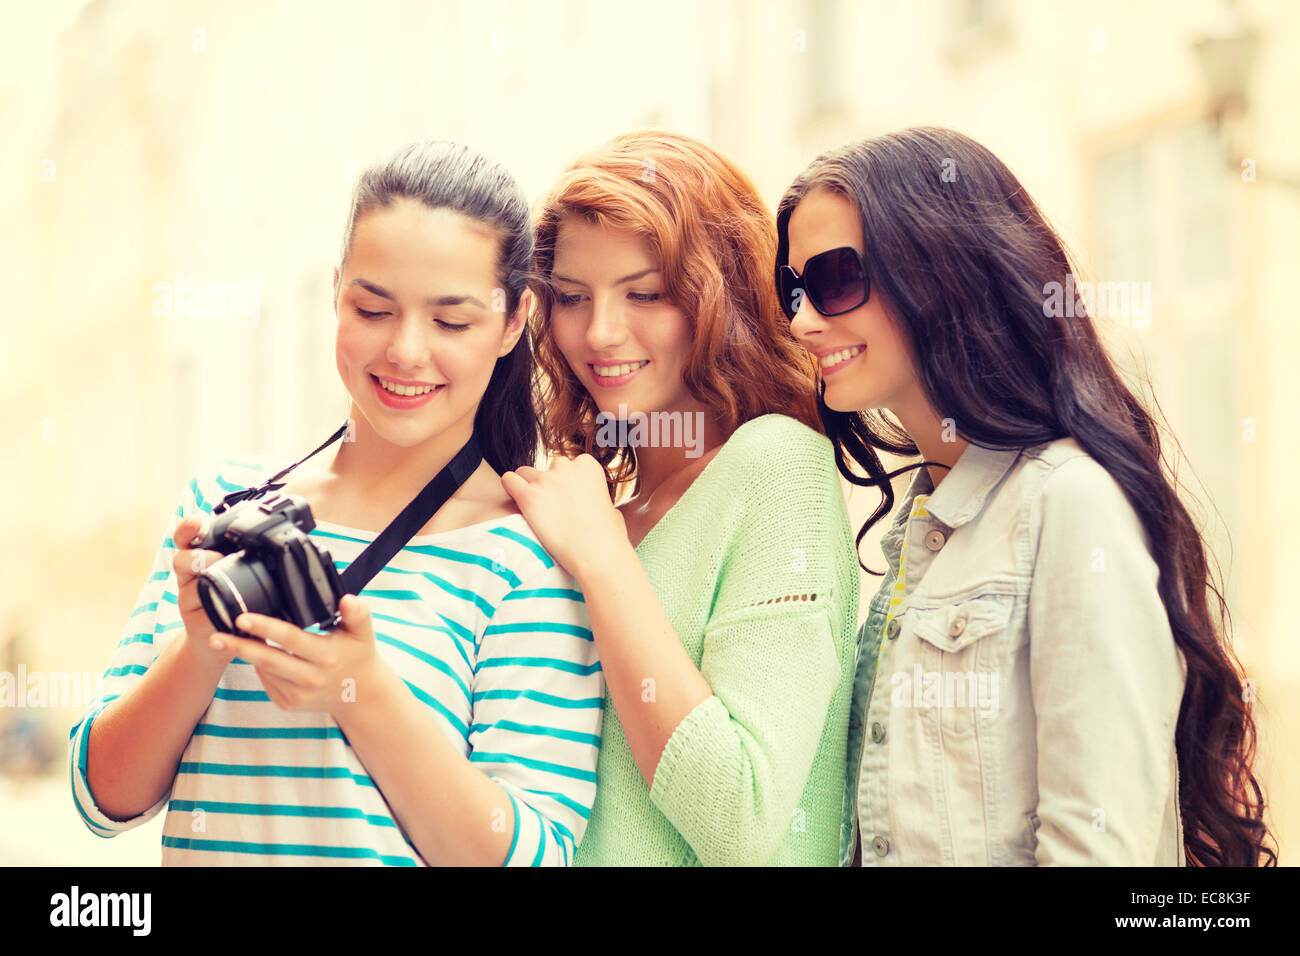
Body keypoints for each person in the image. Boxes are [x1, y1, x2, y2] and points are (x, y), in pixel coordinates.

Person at [69, 140, 603, 866]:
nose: (406, 352)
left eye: (452, 322)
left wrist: (363, 692)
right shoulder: (226, 504)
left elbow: (533, 855)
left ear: (513, 323)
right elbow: (102, 797)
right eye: (373, 307)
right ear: (335, 293)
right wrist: (199, 646)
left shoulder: (529, 557)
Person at [776, 126, 1275, 866]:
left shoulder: (1070, 505)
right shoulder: (922, 528)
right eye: (793, 288)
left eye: (836, 278)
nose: (803, 320)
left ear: (940, 270)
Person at [501, 131, 859, 866]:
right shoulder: (603, 512)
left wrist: (604, 565)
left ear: (720, 295)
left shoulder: (777, 466)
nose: (600, 333)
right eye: (570, 298)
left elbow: (743, 817)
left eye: (646, 293)